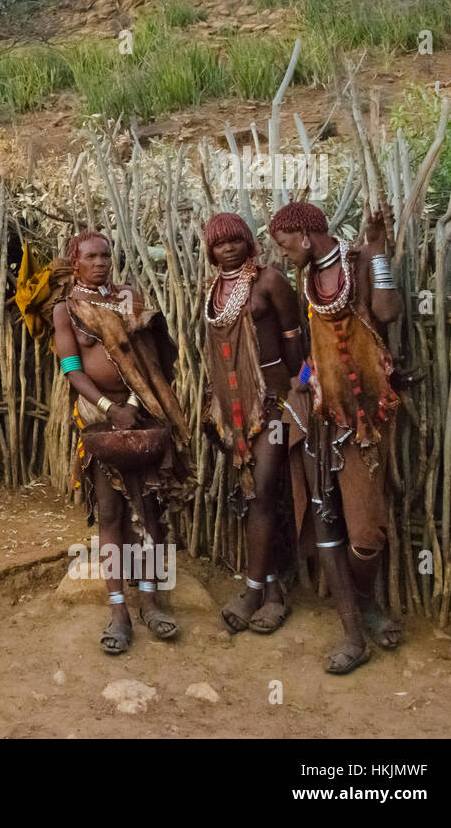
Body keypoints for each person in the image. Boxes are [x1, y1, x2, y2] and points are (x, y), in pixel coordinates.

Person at [270, 202, 404, 674]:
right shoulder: (308, 280)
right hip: (319, 417)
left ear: (304, 235)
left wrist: (380, 249)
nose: (283, 253)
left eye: (284, 243)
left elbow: (387, 312)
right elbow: (314, 346)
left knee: (366, 534)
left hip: (363, 417)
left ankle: (366, 602)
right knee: (326, 522)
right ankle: (352, 633)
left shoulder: (359, 260)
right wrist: (301, 379)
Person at [51, 229, 191, 654]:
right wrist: (112, 411)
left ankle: (150, 602)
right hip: (99, 418)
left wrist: (138, 402)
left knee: (149, 510)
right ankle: (119, 611)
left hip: (143, 411)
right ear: (74, 262)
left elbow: (154, 357)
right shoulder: (67, 311)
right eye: (90, 256)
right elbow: (73, 372)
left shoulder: (129, 299)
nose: (100, 262)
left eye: (105, 255)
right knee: (111, 515)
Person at [202, 213, 304, 634]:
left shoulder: (270, 280)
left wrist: (301, 393)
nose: (228, 248)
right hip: (234, 407)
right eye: (219, 243)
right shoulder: (213, 290)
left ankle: (250, 590)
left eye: (235, 240)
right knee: (251, 494)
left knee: (262, 489)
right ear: (210, 250)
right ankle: (274, 593)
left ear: (248, 241)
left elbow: (297, 344)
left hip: (273, 402)